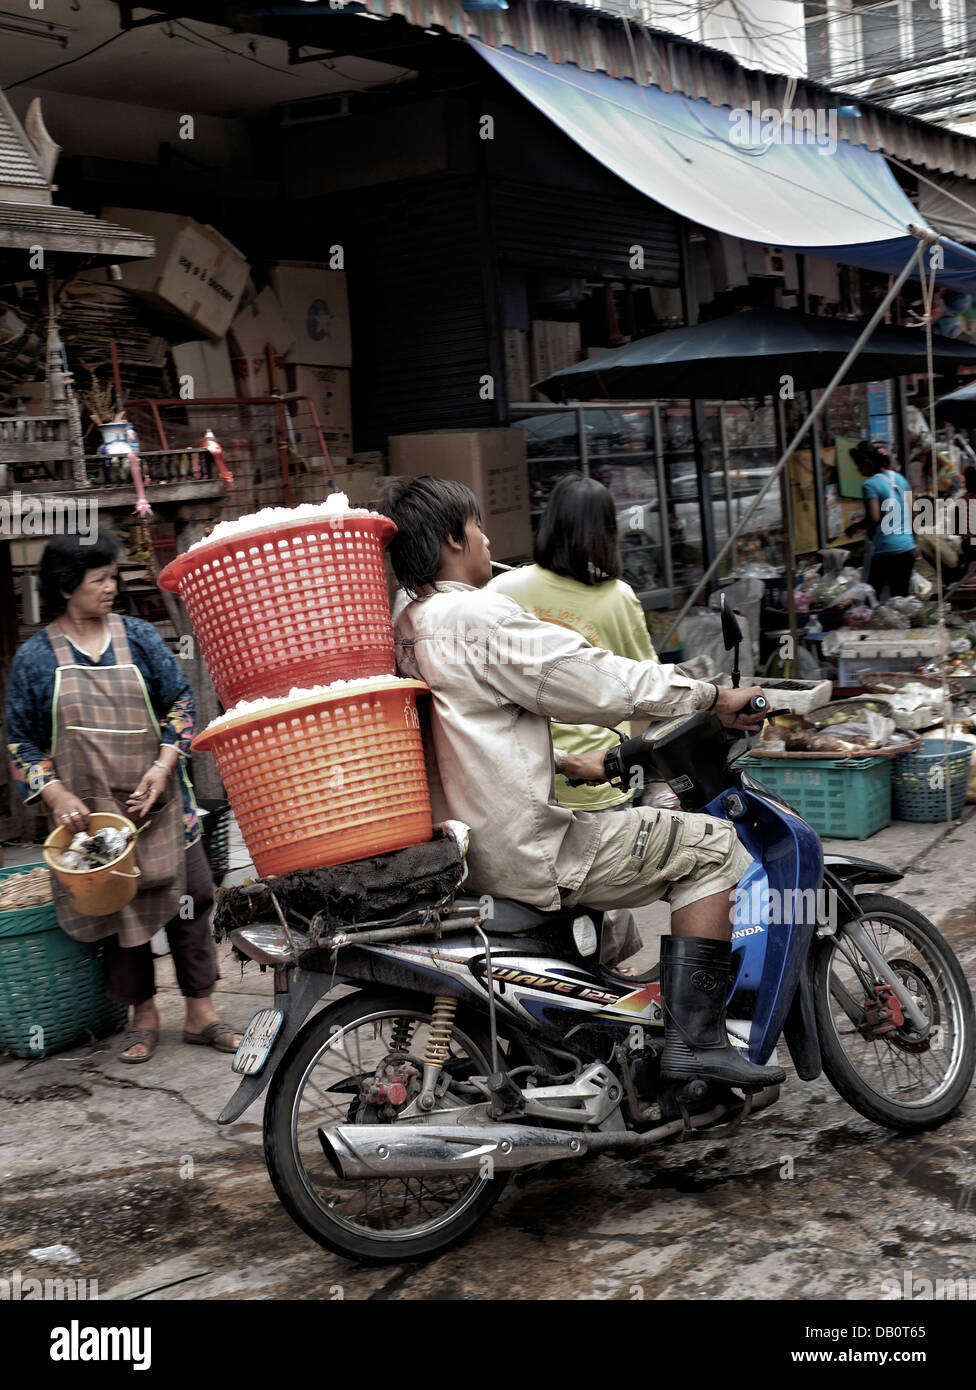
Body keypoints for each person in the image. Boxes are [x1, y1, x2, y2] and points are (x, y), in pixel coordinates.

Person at [381, 476, 784, 1092]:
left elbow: (470, 726)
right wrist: (710, 695)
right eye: (479, 526)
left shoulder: (406, 622)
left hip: (457, 850)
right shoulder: (476, 615)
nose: (489, 538)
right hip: (522, 851)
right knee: (712, 846)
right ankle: (696, 1043)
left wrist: (567, 764)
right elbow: (596, 681)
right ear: (453, 539)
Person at [5, 533, 243, 1064]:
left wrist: (164, 766)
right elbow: (20, 740)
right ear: (68, 588)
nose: (113, 587)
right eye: (100, 580)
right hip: (95, 824)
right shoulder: (36, 659)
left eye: (113, 577)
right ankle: (144, 1016)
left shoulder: (138, 638)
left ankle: (201, 1013)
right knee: (120, 912)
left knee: (192, 897)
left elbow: (180, 703)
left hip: (159, 808)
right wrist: (56, 791)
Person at [488, 474, 662, 973]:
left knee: (542, 887)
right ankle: (603, 982)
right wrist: (651, 770)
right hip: (596, 774)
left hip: (525, 771)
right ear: (606, 533)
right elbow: (643, 689)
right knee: (602, 882)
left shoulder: (505, 587)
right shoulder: (618, 598)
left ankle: (549, 976)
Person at [852, 440, 916, 599]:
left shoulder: (870, 485)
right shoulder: (901, 479)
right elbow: (915, 512)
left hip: (886, 551)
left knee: (870, 599)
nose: (857, 469)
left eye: (858, 464)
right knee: (901, 600)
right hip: (907, 549)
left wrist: (854, 527)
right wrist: (914, 542)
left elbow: (873, 518)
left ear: (867, 462)